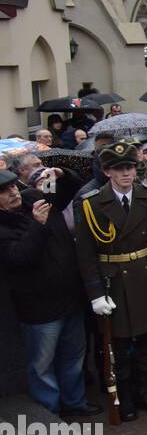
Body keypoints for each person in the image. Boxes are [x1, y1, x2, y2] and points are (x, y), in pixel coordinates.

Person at [72, 140, 147, 421]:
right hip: (112, 281)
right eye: (120, 169)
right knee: (119, 346)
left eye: (130, 167)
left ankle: (145, 392)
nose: (127, 174)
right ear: (107, 172)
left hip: (145, 276)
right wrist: (95, 294)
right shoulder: (91, 204)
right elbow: (86, 253)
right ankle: (125, 396)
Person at [0, 166, 100, 415]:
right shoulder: (4, 227)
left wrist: (63, 174)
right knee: (42, 365)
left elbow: (68, 191)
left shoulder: (34, 198)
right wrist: (38, 225)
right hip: (38, 309)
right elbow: (20, 257)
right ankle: (50, 412)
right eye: (4, 191)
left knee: (73, 357)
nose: (13, 193)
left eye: (13, 186)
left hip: (70, 298)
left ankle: (75, 402)